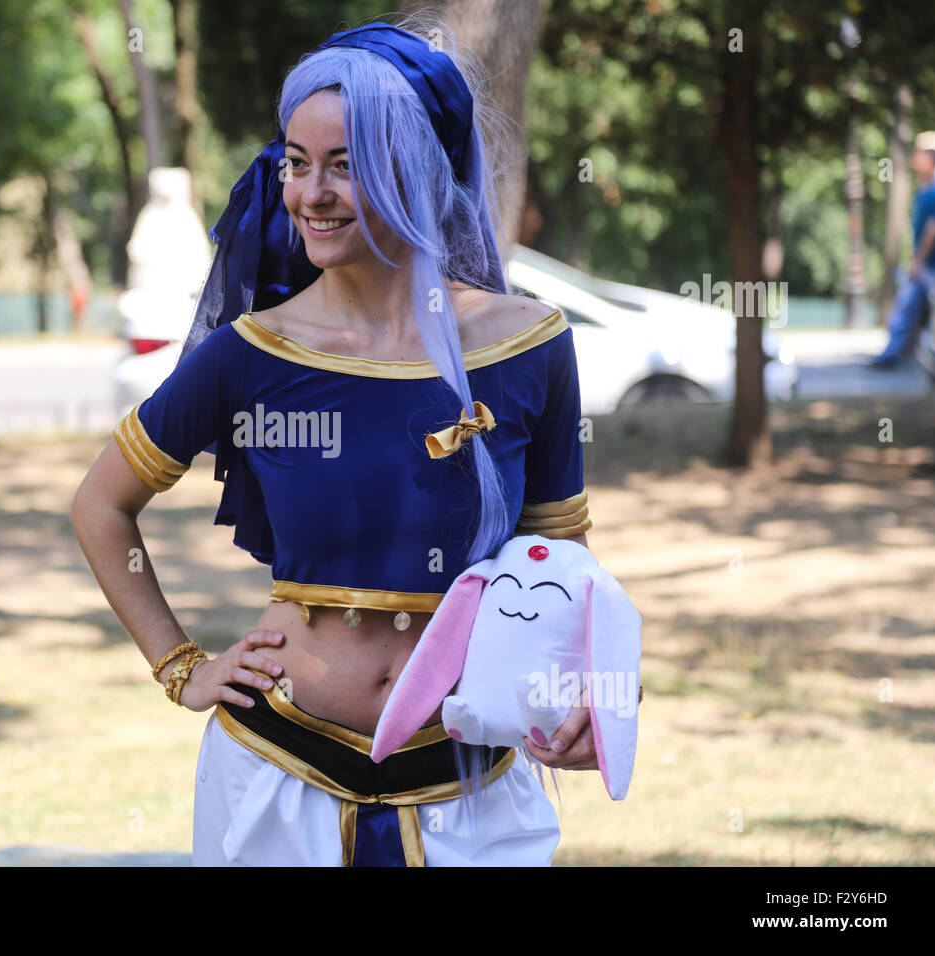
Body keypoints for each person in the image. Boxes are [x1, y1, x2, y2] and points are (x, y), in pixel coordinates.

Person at [72, 16, 602, 867]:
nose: (309, 193)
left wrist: (593, 692)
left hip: (470, 790)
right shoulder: (252, 352)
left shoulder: (529, 344)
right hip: (277, 775)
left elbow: (561, 559)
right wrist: (181, 666)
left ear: (418, 174)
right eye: (296, 162)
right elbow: (101, 503)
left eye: (345, 166)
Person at [870, 130, 935, 368]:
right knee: (908, 308)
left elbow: (933, 229)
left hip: (930, 266)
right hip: (927, 265)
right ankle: (895, 353)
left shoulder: (934, 190)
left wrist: (918, 261)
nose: (914, 158)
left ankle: (894, 354)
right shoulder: (925, 189)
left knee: (910, 306)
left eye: (919, 153)